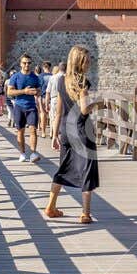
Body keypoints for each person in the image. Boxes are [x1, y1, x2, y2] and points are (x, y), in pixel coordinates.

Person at [43, 46, 98, 223]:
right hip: (82, 132)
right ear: (81, 62)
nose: (89, 62)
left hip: (65, 131)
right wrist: (97, 104)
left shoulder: (61, 81)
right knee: (87, 171)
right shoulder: (83, 83)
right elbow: (83, 110)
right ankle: (85, 214)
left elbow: (58, 111)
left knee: (63, 169)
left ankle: (51, 206)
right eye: (87, 60)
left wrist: (54, 134)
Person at [6, 54, 43, 163]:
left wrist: (37, 92)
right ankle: (22, 153)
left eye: (29, 63)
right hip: (19, 106)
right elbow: (9, 92)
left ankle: (33, 153)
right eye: (24, 63)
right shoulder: (15, 77)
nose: (27, 65)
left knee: (33, 130)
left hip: (31, 107)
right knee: (20, 131)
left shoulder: (35, 77)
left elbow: (39, 91)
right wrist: (24, 91)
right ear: (20, 64)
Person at [44, 60, 65, 142]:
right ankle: (61, 134)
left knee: (53, 117)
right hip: (65, 99)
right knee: (63, 117)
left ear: (59, 68)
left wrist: (46, 103)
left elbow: (48, 92)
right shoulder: (67, 77)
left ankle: (53, 133)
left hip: (54, 99)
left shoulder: (53, 77)